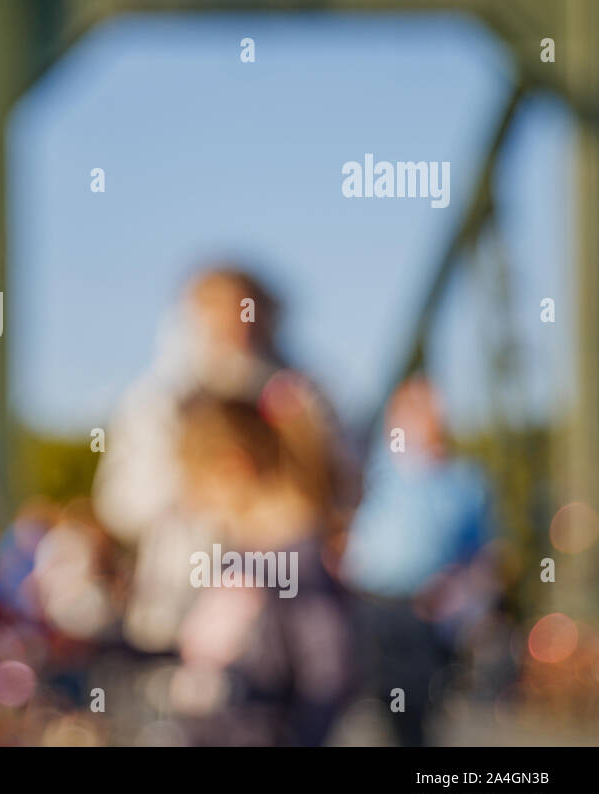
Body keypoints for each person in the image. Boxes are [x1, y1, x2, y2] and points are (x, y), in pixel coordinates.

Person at [94, 268, 358, 652]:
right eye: (218, 319)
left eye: (245, 316)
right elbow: (120, 506)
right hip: (179, 610)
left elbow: (342, 488)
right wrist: (197, 481)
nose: (236, 333)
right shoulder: (156, 405)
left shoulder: (301, 396)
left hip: (287, 609)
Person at [170, 383, 356, 745]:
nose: (190, 501)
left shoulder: (297, 562)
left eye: (196, 482)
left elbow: (328, 676)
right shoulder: (239, 555)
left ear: (233, 468)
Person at [340, 375, 498, 745]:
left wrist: (462, 603)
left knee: (414, 721)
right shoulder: (364, 470)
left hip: (425, 617)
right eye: (411, 411)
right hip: (365, 609)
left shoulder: (466, 482)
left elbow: (483, 560)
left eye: (429, 412)